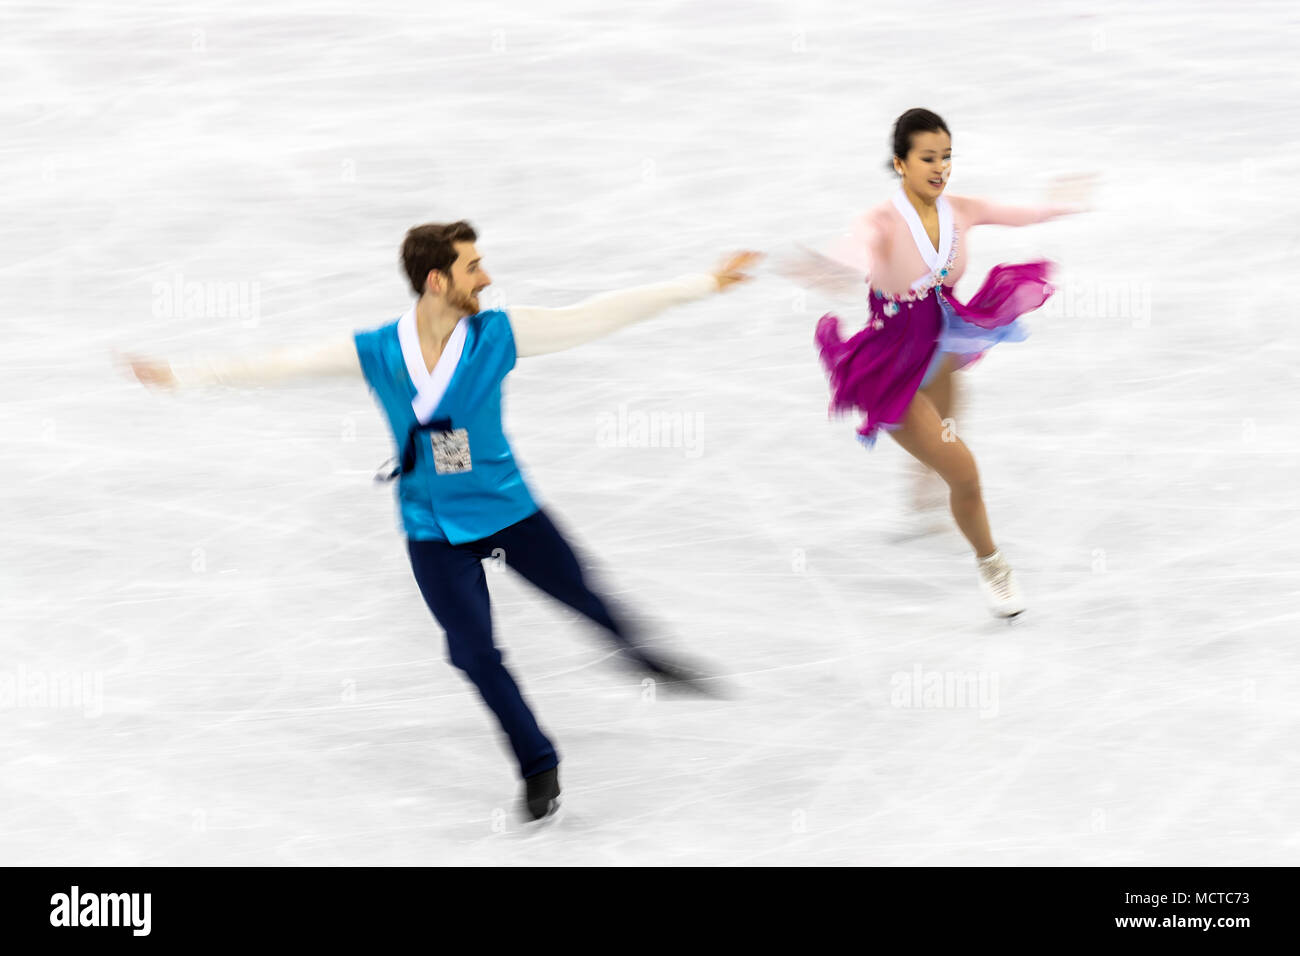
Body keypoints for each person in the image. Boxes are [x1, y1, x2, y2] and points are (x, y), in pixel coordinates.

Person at [125, 220, 760, 820]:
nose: (485, 278)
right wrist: (180, 375)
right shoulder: (377, 351)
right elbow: (282, 365)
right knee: (472, 652)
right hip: (432, 529)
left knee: (588, 597)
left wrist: (704, 283)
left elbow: (595, 316)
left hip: (509, 514)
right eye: (473, 267)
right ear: (437, 280)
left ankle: (642, 657)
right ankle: (538, 763)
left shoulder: (501, 335)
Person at [810, 108, 1089, 617]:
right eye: (927, 158)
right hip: (892, 368)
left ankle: (920, 498)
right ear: (900, 163)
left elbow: (1016, 213)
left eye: (946, 157)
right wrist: (833, 265)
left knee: (951, 415)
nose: (940, 168)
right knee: (964, 473)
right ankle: (992, 564)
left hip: (940, 342)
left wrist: (1058, 206)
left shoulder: (961, 209)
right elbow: (856, 246)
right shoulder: (880, 221)